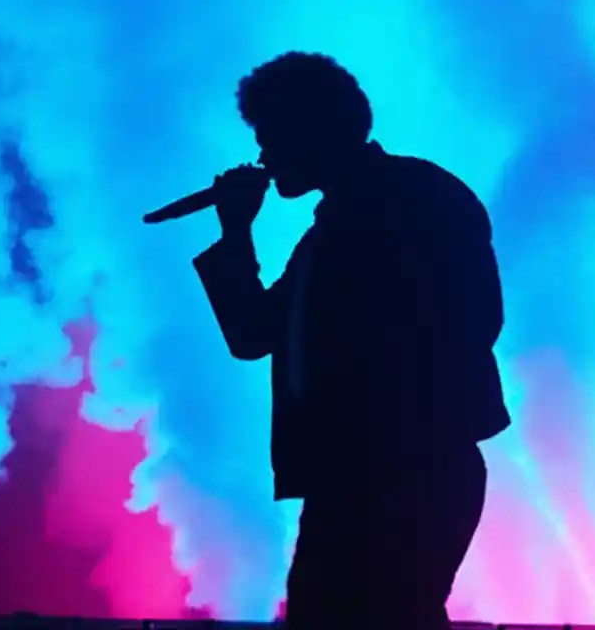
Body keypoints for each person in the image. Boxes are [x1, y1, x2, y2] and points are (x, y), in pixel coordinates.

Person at [193, 52, 510, 629]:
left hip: (405, 473)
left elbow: (472, 321)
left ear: (310, 129)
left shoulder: (415, 198)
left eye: (271, 135)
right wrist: (235, 232)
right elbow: (254, 334)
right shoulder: (331, 232)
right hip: (364, 477)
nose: (263, 155)